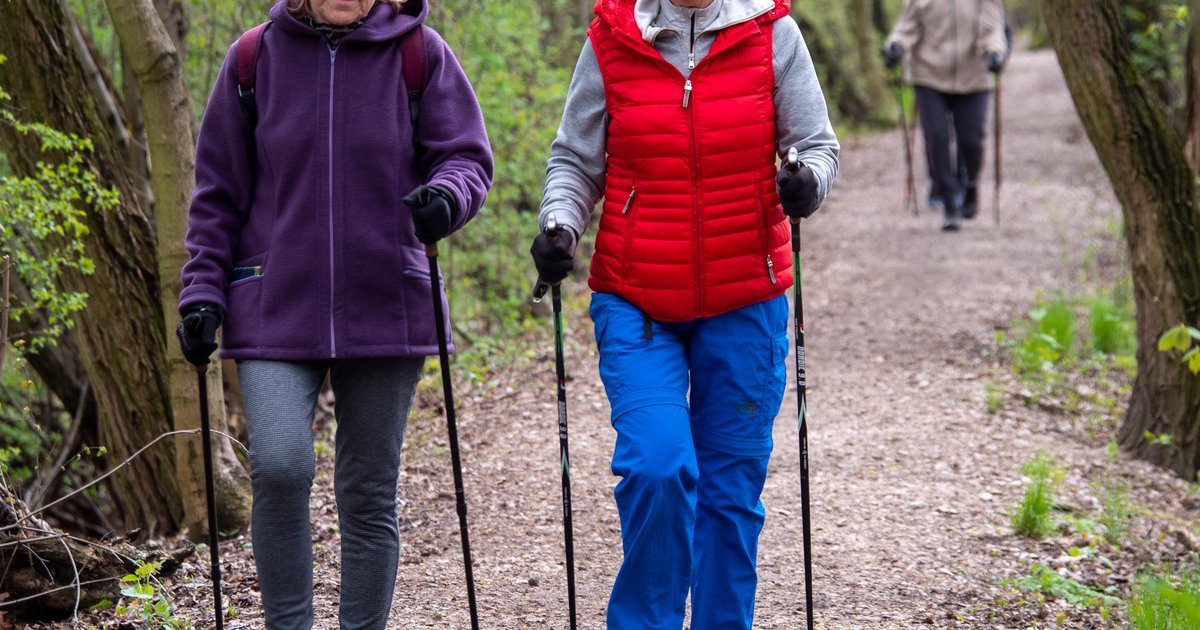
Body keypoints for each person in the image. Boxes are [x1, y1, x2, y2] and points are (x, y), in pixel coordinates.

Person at [174, 0, 492, 627]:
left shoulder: (419, 54)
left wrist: (446, 198)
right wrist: (202, 293)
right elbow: (216, 194)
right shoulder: (252, 60)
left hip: (388, 305)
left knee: (369, 494)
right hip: (274, 304)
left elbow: (467, 158)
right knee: (281, 465)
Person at [530, 0, 838, 627]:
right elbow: (575, 160)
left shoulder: (771, 34)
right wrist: (559, 224)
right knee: (657, 465)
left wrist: (808, 180)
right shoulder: (613, 39)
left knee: (729, 492)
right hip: (637, 296)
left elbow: (816, 144)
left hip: (746, 295)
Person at [883, 0, 1007, 231]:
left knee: (972, 140)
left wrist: (995, 53)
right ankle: (950, 203)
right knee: (936, 138)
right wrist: (896, 45)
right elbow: (907, 26)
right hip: (928, 75)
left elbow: (992, 30)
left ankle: (971, 184)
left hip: (974, 76)